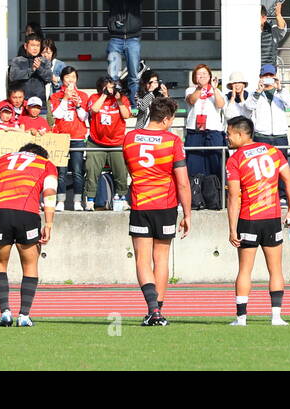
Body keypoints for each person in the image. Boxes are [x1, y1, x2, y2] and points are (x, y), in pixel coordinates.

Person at [0, 142, 58, 327]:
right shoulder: (46, 164)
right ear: (41, 155)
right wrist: (49, 223)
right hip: (28, 214)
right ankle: (24, 316)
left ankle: (5, 313)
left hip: (0, 213)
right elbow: (49, 192)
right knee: (30, 264)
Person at [122, 97, 191, 326]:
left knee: (142, 259)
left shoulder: (130, 138)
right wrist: (187, 213)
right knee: (160, 259)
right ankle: (158, 311)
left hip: (141, 204)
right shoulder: (172, 141)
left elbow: (130, 169)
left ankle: (151, 309)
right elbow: (182, 182)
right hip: (166, 204)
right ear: (165, 119)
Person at [225, 115, 290, 326]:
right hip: (273, 216)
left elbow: (233, 196)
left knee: (245, 269)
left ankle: (241, 318)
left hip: (249, 218)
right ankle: (276, 316)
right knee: (275, 268)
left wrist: (232, 228)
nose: (227, 138)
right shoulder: (272, 151)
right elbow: (289, 181)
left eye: (229, 134)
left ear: (240, 134)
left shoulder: (236, 159)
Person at [87, 75, 132, 209]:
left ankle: (122, 198)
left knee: (121, 171)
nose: (112, 89)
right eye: (109, 86)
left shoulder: (122, 99)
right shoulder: (94, 98)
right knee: (91, 171)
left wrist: (118, 100)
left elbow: (126, 115)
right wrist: (104, 95)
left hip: (117, 142)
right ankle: (90, 199)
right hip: (96, 142)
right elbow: (94, 110)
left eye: (113, 86)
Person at [49, 67, 90, 210]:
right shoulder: (55, 96)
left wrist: (78, 104)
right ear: (62, 79)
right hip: (61, 137)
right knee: (61, 171)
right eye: (67, 77)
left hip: (77, 137)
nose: (70, 80)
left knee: (78, 171)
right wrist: (65, 98)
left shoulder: (83, 96)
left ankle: (77, 201)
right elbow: (57, 115)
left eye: (73, 76)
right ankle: (60, 200)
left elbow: (85, 118)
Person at [104, 0, 144, 105]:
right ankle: (113, 102)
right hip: (116, 39)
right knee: (113, 74)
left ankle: (134, 103)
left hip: (133, 39)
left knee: (134, 75)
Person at [184, 64, 226, 182]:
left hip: (213, 131)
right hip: (195, 130)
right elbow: (191, 101)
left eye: (204, 74)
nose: (202, 76)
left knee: (215, 162)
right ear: (194, 77)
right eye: (199, 74)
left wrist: (214, 89)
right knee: (194, 163)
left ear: (210, 76)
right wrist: (199, 88)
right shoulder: (190, 90)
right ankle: (195, 191)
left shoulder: (216, 91)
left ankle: (217, 191)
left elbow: (220, 105)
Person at [245, 64, 290, 148]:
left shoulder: (281, 92)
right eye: (265, 76)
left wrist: (279, 88)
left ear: (275, 77)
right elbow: (249, 106)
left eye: (271, 75)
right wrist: (258, 92)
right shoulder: (254, 93)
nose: (268, 77)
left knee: (280, 161)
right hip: (261, 136)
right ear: (260, 77)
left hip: (280, 136)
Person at [260, 1, 288, 72]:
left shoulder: (272, 31)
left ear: (264, 18)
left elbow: (281, 28)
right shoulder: (246, 33)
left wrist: (278, 15)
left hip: (268, 73)